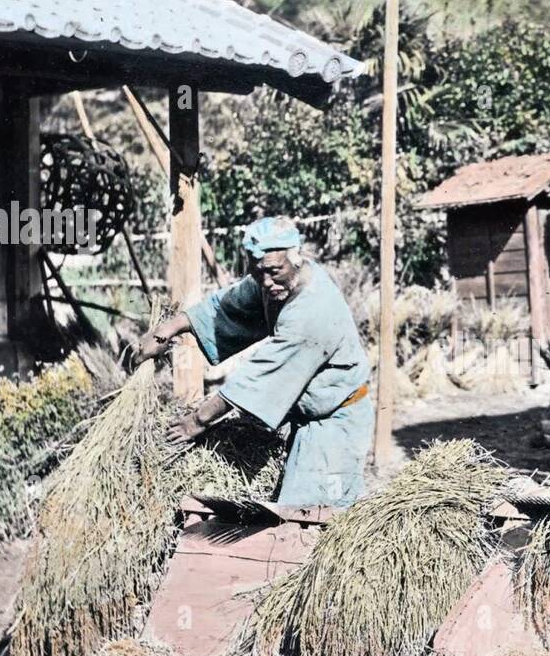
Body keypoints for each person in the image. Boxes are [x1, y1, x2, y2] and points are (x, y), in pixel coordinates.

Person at [135, 216, 373, 507]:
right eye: (257, 273)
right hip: (308, 419)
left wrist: (196, 422)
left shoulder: (312, 313)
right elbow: (226, 306)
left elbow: (258, 379)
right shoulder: (273, 281)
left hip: (335, 425)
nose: (266, 283)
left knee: (310, 517)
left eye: (274, 272)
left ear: (296, 258)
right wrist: (165, 330)